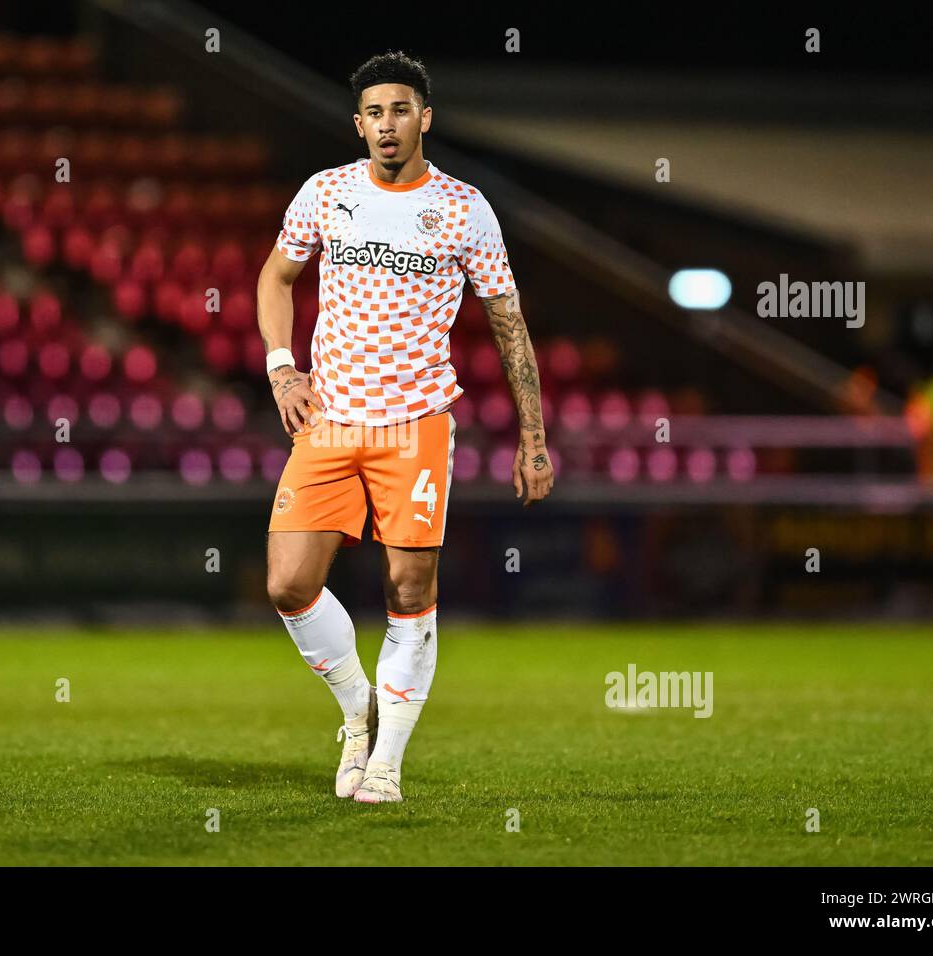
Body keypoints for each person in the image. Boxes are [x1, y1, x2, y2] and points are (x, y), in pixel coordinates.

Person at [256, 51, 553, 803]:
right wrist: (283, 368)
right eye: (374, 113)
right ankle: (360, 706)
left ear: (426, 118)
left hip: (414, 424)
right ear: (358, 124)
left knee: (408, 585)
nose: (387, 125)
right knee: (288, 584)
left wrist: (534, 438)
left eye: (401, 110)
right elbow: (275, 277)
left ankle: (384, 761)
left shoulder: (464, 207)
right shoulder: (325, 193)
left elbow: (508, 322)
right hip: (329, 420)